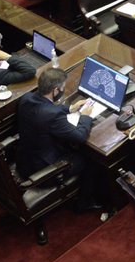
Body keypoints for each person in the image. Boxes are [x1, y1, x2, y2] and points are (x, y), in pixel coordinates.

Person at [17, 67, 101, 211]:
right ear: (55, 90)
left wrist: (69, 108)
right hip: (43, 172)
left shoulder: (26, 99)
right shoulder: (52, 115)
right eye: (62, 88)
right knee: (90, 158)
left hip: (24, 161)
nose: (63, 90)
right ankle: (84, 203)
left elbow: (45, 107)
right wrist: (86, 116)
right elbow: (80, 136)